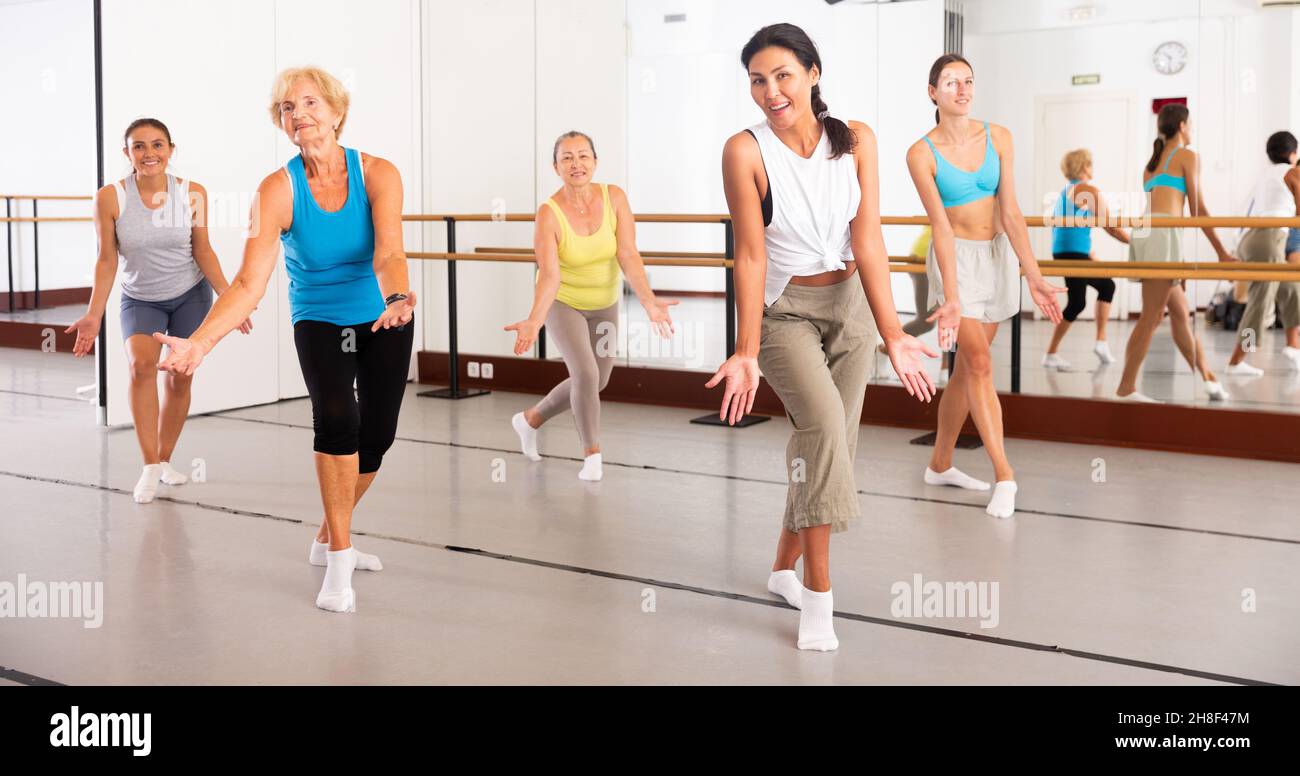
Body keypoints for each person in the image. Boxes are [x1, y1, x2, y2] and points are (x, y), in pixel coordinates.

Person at [707, 23, 936, 651]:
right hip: (785, 312)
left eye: (783, 75)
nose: (770, 91)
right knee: (827, 433)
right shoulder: (745, 151)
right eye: (757, 80)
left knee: (834, 444)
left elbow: (868, 239)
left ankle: (782, 568)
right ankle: (818, 598)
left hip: (852, 306)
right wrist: (747, 349)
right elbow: (750, 257)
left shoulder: (857, 140)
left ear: (813, 73)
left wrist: (893, 334)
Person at [157, 67, 416, 613]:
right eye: (286, 108)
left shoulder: (378, 174)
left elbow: (389, 252)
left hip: (383, 314)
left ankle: (326, 534)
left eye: (310, 103)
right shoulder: (277, 189)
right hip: (320, 319)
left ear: (337, 111)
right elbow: (251, 283)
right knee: (337, 420)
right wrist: (200, 343)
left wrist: (396, 299)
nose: (298, 115)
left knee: (377, 438)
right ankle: (339, 559)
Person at [906, 53, 1065, 520]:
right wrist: (951, 296)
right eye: (951, 82)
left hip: (996, 258)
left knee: (966, 372)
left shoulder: (999, 136)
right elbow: (940, 226)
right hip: (956, 260)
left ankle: (939, 464)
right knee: (978, 363)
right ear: (932, 92)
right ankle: (1005, 475)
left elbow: (1011, 212)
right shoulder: (921, 152)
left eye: (968, 81)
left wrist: (1032, 273)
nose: (962, 89)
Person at [65, 118, 250, 504]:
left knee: (179, 377)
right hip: (141, 298)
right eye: (139, 146)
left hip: (189, 295)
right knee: (140, 367)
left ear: (170, 150)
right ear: (127, 153)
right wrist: (93, 313)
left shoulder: (191, 193)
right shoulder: (110, 197)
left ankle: (165, 458)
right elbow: (106, 260)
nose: (149, 153)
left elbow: (204, 249)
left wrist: (232, 299)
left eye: (157, 145)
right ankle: (150, 466)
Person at [506, 131, 678, 481]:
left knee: (597, 381)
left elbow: (627, 253)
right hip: (563, 303)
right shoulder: (548, 214)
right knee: (585, 375)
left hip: (604, 303)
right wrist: (534, 320)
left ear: (595, 162)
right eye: (567, 157)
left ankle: (529, 420)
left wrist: (648, 301)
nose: (576, 163)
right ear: (556, 166)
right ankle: (592, 457)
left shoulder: (614, 197)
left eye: (583, 156)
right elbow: (549, 276)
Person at [1116, 103, 1236, 403]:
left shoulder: (1150, 165)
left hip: (1149, 235)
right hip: (1162, 237)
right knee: (1151, 316)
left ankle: (1209, 378)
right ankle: (1125, 388)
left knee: (1180, 314)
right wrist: (1221, 250)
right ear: (1182, 126)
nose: (1191, 129)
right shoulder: (1188, 155)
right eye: (1190, 124)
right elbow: (1197, 209)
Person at [1041, 148, 1129, 371]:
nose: (1092, 169)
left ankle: (1066, 350)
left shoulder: (1066, 191)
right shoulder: (1086, 189)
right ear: (1083, 167)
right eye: (1089, 164)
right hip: (1072, 253)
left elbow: (1066, 227)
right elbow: (1109, 224)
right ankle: (1093, 344)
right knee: (1097, 291)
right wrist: (1135, 243)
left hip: (1066, 251)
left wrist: (1086, 253)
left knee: (1091, 294)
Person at [1225, 131, 1300, 375]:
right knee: (1259, 302)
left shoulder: (1266, 174)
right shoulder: (1291, 171)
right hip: (1268, 239)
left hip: (1253, 237)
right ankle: (1236, 361)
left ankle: (1293, 345)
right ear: (1292, 153)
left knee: (1290, 289)